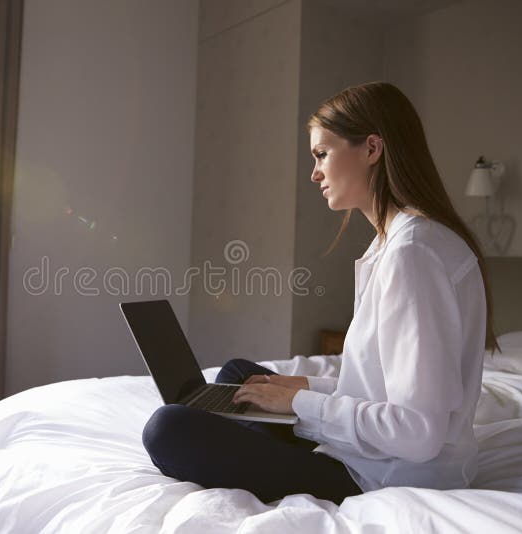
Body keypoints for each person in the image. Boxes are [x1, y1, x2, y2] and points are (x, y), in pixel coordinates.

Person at [141, 81, 501, 505]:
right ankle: (236, 424)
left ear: (371, 149)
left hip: (386, 474)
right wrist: (302, 388)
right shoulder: (400, 241)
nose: (314, 173)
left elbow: (417, 433)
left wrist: (300, 403)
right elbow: (380, 386)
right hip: (372, 454)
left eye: (321, 154)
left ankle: (233, 433)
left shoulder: (413, 254)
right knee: (240, 375)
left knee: (167, 429)